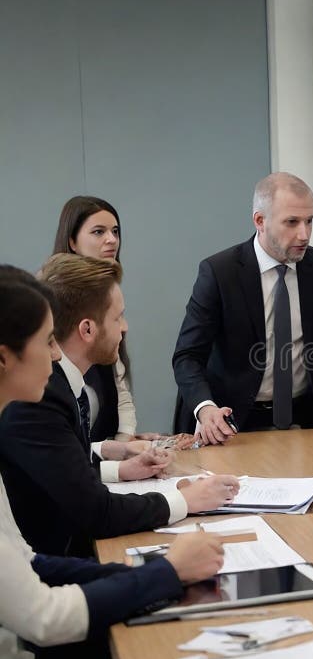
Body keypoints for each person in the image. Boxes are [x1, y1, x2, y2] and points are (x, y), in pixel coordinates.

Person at [0, 264, 225, 659]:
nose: (56, 354)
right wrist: (164, 573)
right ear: (4, 358)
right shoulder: (31, 409)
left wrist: (157, 573)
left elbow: (28, 563)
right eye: (46, 342)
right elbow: (43, 615)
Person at [0, 254, 239, 557]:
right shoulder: (42, 396)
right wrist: (186, 501)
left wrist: (119, 469)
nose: (125, 327)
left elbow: (61, 470)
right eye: (118, 317)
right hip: (54, 559)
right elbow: (97, 512)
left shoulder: (66, 386)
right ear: (87, 330)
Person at [173, 172, 313, 444]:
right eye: (292, 222)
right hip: (233, 423)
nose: (304, 234)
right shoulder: (220, 272)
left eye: (309, 221)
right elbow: (187, 356)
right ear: (260, 221)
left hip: (306, 419)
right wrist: (205, 408)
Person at [53, 197, 194, 469]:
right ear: (72, 241)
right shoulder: (56, 299)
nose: (111, 240)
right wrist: (118, 453)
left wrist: (125, 444)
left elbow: (120, 386)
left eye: (115, 231)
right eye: (99, 232)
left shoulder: (110, 288)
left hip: (94, 459)